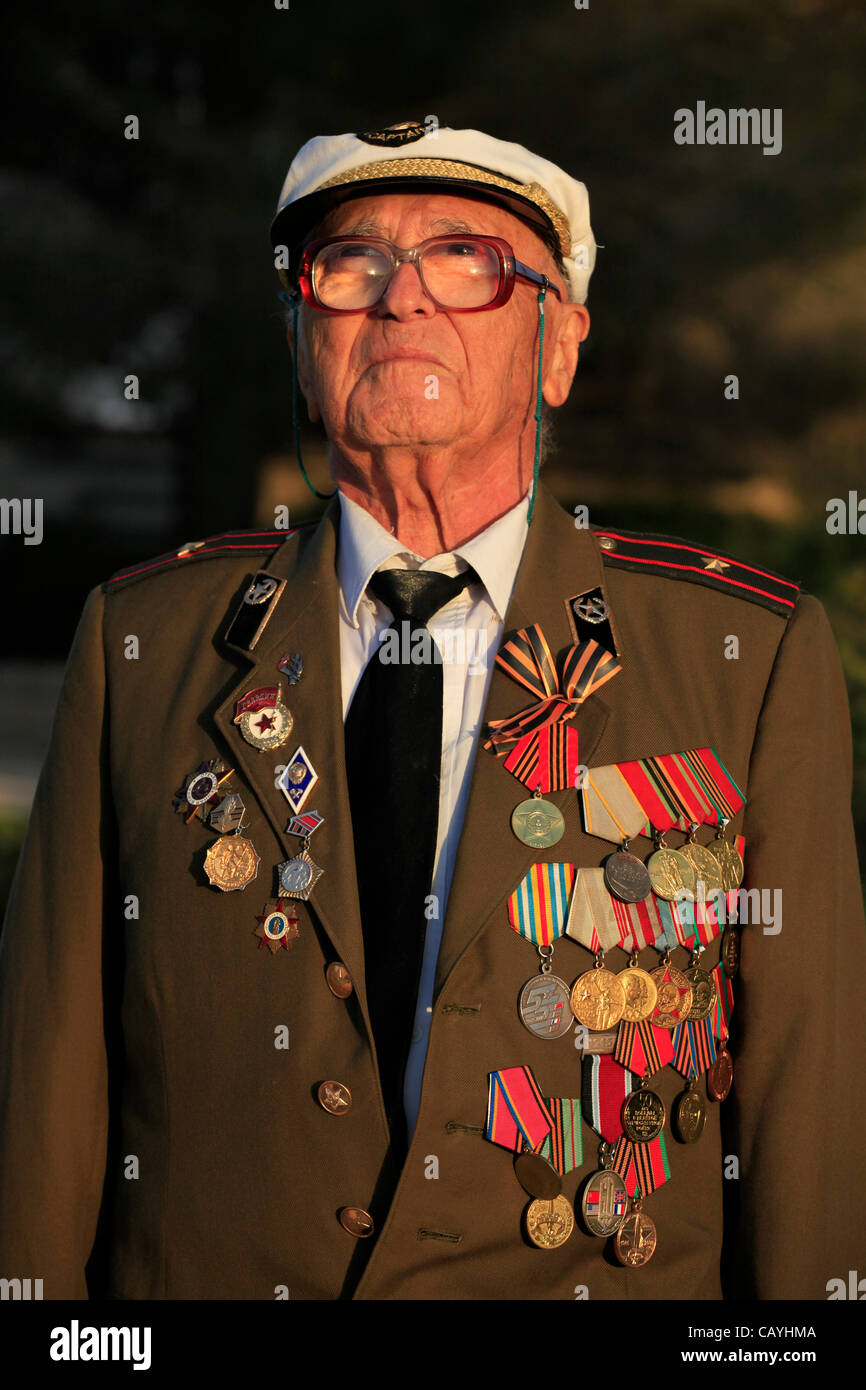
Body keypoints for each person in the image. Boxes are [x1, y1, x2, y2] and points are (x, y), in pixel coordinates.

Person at [1, 121, 864, 1302]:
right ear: (305, 339)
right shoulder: (146, 643)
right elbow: (46, 1087)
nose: (401, 302)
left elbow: (803, 1102)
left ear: (557, 344)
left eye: (467, 262)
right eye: (349, 267)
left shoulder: (742, 656)